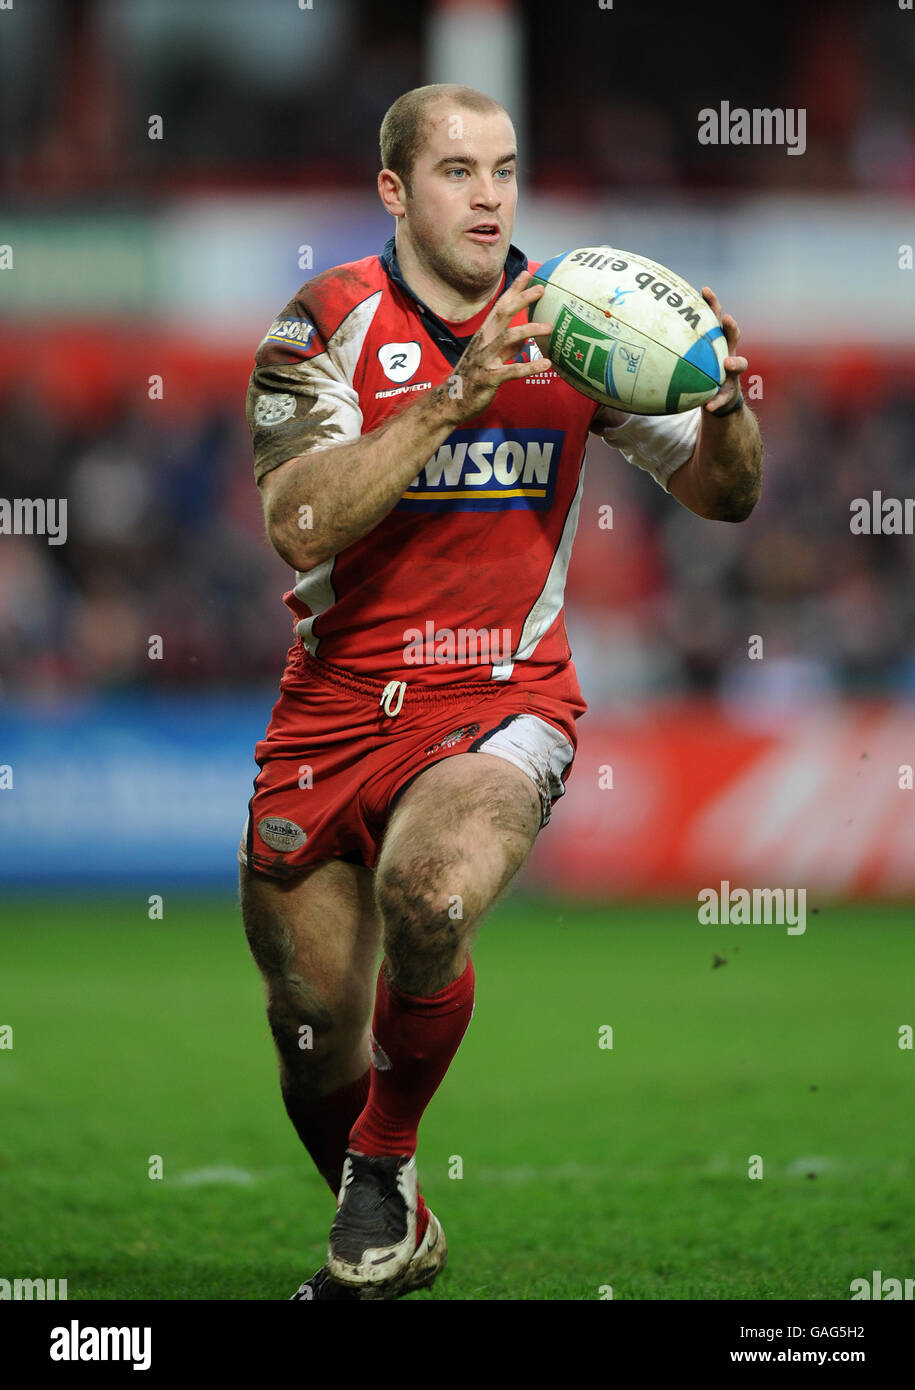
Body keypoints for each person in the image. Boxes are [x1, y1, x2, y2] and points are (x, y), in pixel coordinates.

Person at [238, 83, 763, 1301]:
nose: (489, 196)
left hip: (500, 700)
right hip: (329, 711)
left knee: (429, 897)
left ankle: (383, 1166)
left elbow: (729, 496)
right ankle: (395, 1218)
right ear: (395, 192)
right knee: (313, 1030)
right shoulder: (321, 324)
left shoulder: (578, 323)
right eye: (458, 171)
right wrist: (450, 401)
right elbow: (295, 520)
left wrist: (725, 398)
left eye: (506, 170)